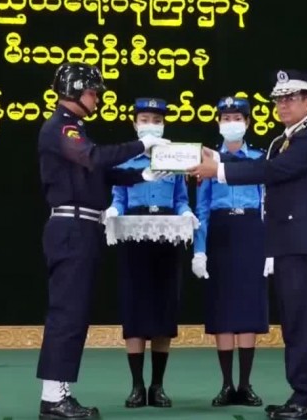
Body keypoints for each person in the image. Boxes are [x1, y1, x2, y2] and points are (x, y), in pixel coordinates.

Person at [188, 69, 307, 420]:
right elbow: (266, 167)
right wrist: (218, 159)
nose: (283, 105)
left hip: (306, 245)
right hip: (289, 244)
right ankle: (300, 395)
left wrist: (219, 170)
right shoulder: (280, 141)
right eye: (279, 99)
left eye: (290, 98)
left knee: (303, 324)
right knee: (293, 325)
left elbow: (273, 172)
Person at [36, 64, 170, 420]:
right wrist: (142, 144)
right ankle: (53, 397)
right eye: (93, 91)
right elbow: (93, 158)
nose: (97, 97)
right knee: (67, 312)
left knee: (75, 312)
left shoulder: (75, 128)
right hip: (71, 227)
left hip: (82, 227)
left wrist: (145, 172)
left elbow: (103, 172)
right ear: (76, 91)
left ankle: (60, 391)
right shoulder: (62, 126)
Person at [104, 97, 199, 409]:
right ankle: (136, 386)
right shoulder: (124, 162)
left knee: (163, 309)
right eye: (145, 119)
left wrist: (187, 215)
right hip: (134, 236)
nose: (151, 125)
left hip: (167, 237)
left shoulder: (173, 159)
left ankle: (157, 386)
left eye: (156, 120)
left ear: (164, 124)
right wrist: (113, 211)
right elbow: (119, 196)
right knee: (135, 308)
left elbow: (181, 198)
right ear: (135, 124)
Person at [191, 95, 270, 408]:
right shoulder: (208, 163)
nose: (231, 123)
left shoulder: (261, 158)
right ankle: (226, 385)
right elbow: (203, 208)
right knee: (223, 310)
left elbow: (269, 206)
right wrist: (200, 251)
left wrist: (271, 249)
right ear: (219, 123)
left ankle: (245, 385)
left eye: (237, 117)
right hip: (221, 235)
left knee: (249, 310)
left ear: (248, 122)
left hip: (252, 234)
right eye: (225, 118)